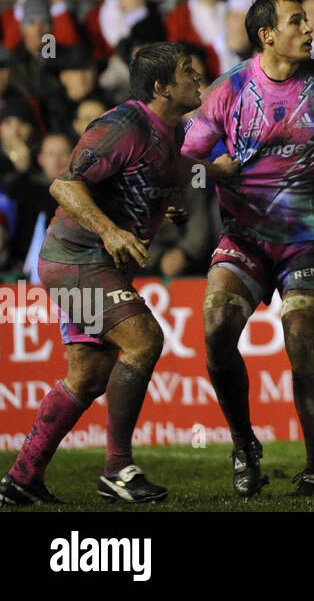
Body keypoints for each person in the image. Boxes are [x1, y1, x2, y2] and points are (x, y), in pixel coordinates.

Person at [0, 43, 234, 505]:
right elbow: (64, 185)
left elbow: (169, 170)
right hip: (76, 261)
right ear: (162, 87)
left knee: (87, 377)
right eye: (188, 72)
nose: (198, 78)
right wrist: (110, 231)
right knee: (144, 340)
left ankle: (23, 477)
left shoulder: (170, 131)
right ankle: (117, 470)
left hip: (90, 263)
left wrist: (201, 182)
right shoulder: (120, 124)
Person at [182, 0, 314, 498]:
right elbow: (186, 161)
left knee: (299, 336)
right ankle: (244, 443)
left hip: (308, 236)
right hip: (243, 235)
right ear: (267, 34)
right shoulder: (227, 90)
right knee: (216, 326)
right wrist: (200, 177)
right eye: (297, 21)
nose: (309, 28)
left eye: (308, 20)